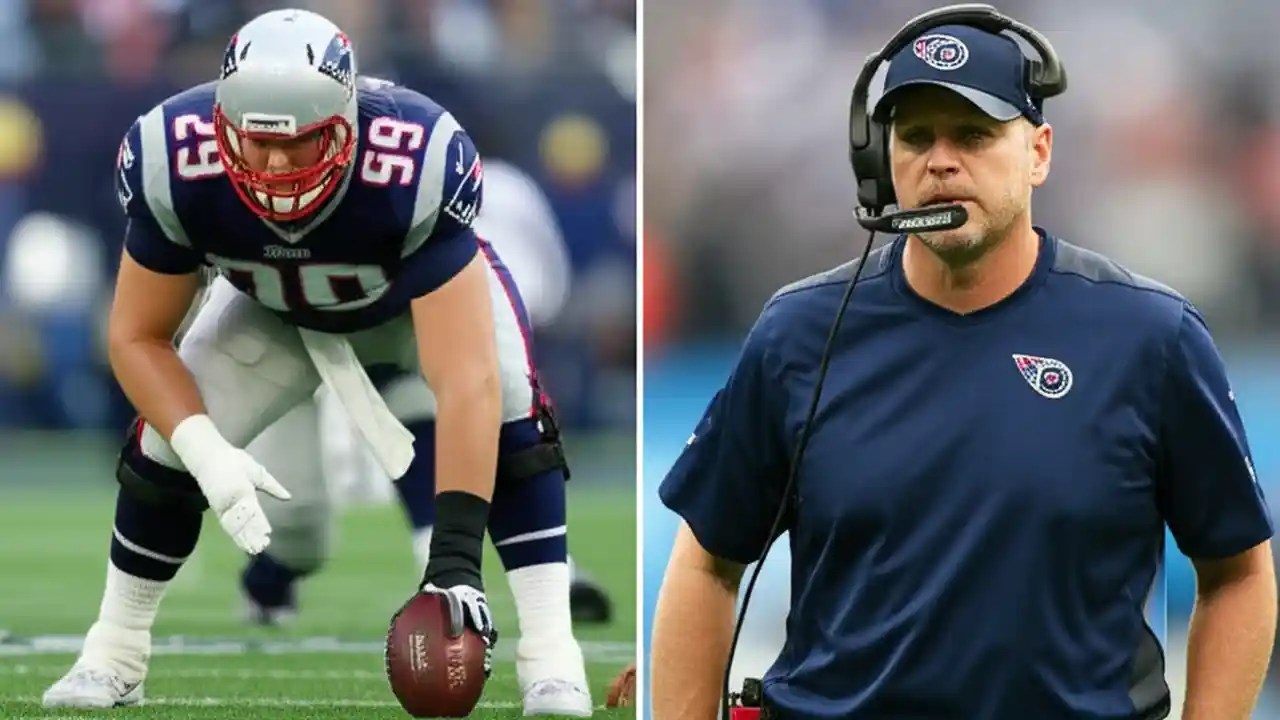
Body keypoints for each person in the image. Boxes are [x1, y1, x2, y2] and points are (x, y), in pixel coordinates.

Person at [650, 6, 1277, 720]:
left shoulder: (1151, 337)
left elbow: (1238, 574)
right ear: (879, 159)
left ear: (1039, 151)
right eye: (915, 136)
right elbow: (706, 563)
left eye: (974, 135)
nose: (940, 160)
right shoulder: (799, 334)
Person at [41, 8, 592, 716]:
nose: (272, 165)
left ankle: (552, 659)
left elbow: (467, 380)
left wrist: (455, 562)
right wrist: (204, 447)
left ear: (344, 124)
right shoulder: (171, 156)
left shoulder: (414, 156)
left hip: (409, 314)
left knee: (515, 410)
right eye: (255, 140)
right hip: (275, 314)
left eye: (297, 143)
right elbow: (136, 337)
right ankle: (113, 653)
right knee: (162, 449)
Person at [235, 158, 613, 633]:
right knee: (296, 524)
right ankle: (268, 578)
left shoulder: (469, 194)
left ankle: (536, 580)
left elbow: (535, 277)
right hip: (300, 333)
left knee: (473, 427)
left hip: (417, 328)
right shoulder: (338, 189)